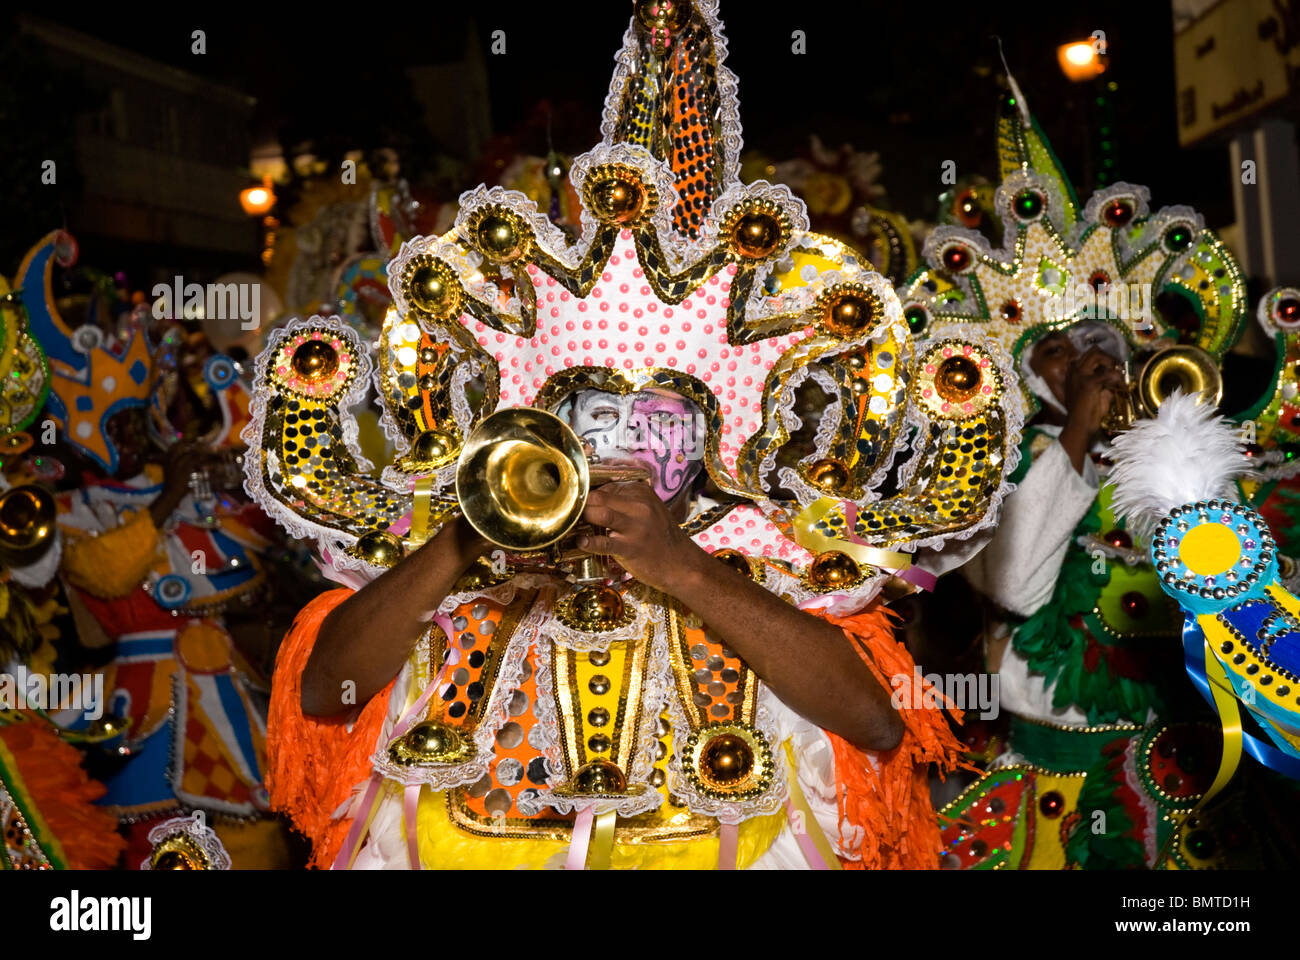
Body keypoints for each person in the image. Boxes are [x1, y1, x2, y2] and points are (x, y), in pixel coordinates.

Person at [249, 2, 1028, 871]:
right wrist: (467, 540)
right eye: (591, 420)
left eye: (656, 422)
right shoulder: (471, 568)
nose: (619, 444)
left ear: (709, 443)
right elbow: (328, 694)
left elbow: (876, 723)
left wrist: (681, 569)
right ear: (540, 429)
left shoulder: (761, 561)